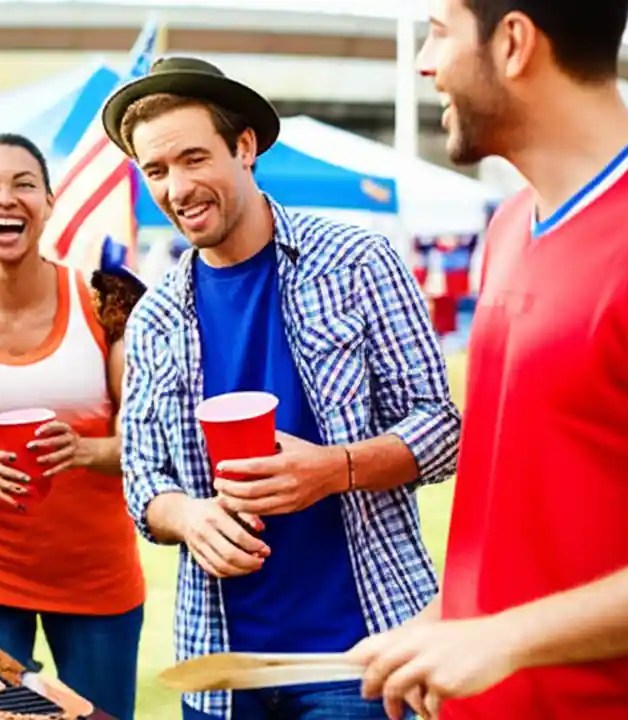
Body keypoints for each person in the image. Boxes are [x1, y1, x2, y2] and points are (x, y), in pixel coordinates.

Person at [104, 57, 461, 719]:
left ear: (244, 147)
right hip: (223, 668)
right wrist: (188, 516)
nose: (177, 188)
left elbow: (441, 428)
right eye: (156, 170)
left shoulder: (358, 261)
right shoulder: (155, 315)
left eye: (192, 158)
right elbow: (142, 477)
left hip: (361, 655)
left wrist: (334, 469)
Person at [349, 1, 628, 718]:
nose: (425, 63)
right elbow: (528, 493)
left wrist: (507, 636)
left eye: (440, 34)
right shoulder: (509, 225)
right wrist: (451, 618)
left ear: (513, 43)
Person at [0, 133, 146, 720]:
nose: (5, 198)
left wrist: (84, 451)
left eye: (23, 185)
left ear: (48, 202)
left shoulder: (104, 302)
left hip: (97, 574)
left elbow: (146, 442)